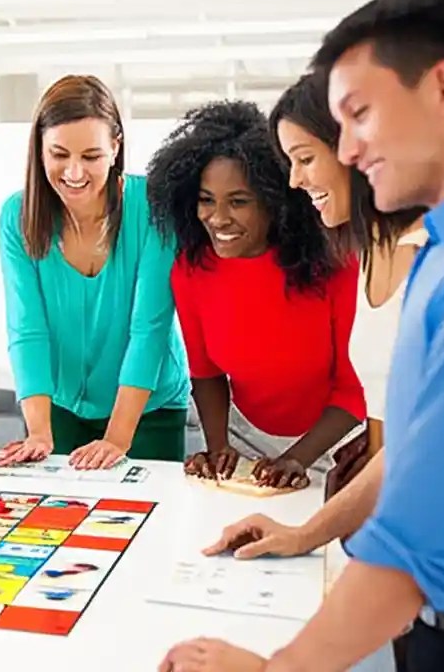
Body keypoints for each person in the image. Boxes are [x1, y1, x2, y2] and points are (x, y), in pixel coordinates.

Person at [161, 0, 444, 672]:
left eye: (360, 115)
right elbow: (412, 451)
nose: (345, 148)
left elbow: (423, 538)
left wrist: (274, 670)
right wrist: (308, 532)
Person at [147, 100, 366, 490]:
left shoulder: (336, 265)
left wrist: (295, 459)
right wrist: (219, 448)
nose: (217, 218)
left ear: (276, 200)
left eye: (239, 201)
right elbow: (206, 371)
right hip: (245, 441)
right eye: (205, 199)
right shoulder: (191, 269)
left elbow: (354, 390)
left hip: (336, 447)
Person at [0, 75, 190, 470]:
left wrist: (116, 439)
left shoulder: (153, 208)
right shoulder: (16, 217)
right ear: (39, 149)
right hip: (61, 406)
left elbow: (149, 329)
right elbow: (26, 329)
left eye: (91, 156)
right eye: (59, 154)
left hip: (147, 408)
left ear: (115, 147)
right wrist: (38, 430)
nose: (74, 172)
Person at [270, 70, 428, 499]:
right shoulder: (367, 253)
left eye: (304, 159)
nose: (294, 181)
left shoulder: (434, 255)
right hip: (389, 508)